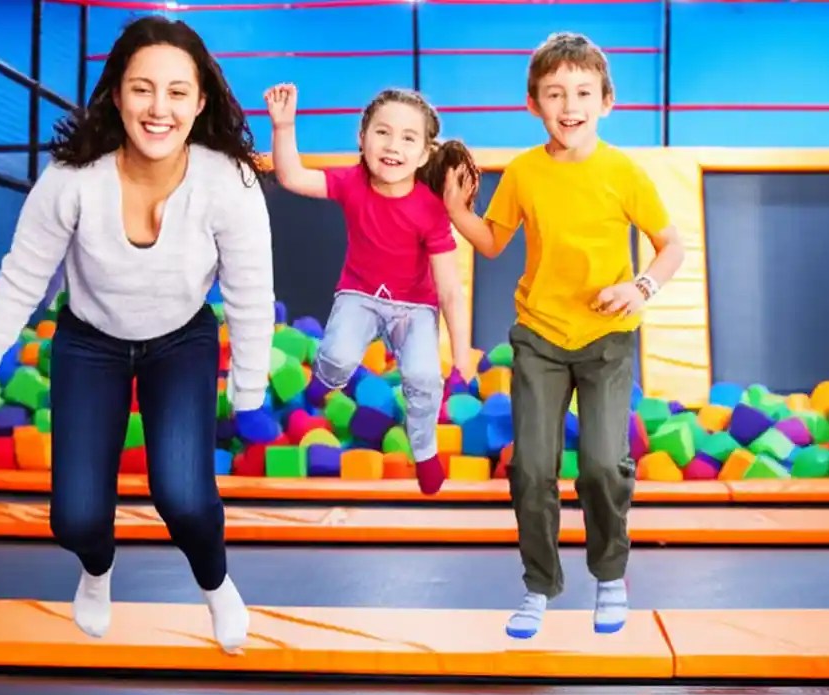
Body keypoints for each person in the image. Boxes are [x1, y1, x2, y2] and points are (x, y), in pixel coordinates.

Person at [0, 16, 281, 653]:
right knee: (74, 518)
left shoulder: (227, 180)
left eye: (177, 92)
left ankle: (217, 585)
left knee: (183, 496)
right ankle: (97, 572)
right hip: (90, 341)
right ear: (117, 94)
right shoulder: (72, 178)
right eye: (142, 89)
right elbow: (21, 280)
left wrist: (251, 394)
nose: (159, 109)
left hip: (180, 341)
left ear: (200, 101)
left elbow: (251, 293)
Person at [445, 32, 685, 637]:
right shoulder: (525, 172)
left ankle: (610, 575)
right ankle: (539, 586)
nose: (569, 105)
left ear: (607, 101)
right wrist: (456, 210)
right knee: (531, 467)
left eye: (582, 92)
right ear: (533, 104)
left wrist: (641, 288)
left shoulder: (623, 172)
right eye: (554, 93)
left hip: (607, 338)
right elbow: (493, 242)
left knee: (603, 465)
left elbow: (670, 245)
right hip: (540, 337)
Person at [263, 83, 480, 495]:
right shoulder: (351, 182)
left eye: (408, 138)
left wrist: (462, 358)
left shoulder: (430, 210)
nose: (393, 145)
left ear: (424, 154)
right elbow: (291, 177)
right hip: (360, 296)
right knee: (337, 357)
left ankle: (425, 453)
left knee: (423, 378)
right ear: (362, 138)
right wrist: (284, 126)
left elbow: (451, 290)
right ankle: (324, 380)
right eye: (382, 132)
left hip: (414, 307)